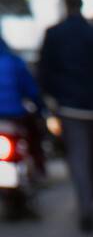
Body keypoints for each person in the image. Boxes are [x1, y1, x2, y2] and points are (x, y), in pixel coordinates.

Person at [38, 0, 93, 231]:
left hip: (70, 107)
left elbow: (44, 73)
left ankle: (86, 210)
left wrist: (54, 98)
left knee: (79, 159)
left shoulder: (54, 34)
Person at [0, 33, 45, 172]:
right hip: (15, 114)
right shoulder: (14, 61)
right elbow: (31, 89)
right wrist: (40, 108)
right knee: (34, 135)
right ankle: (39, 167)